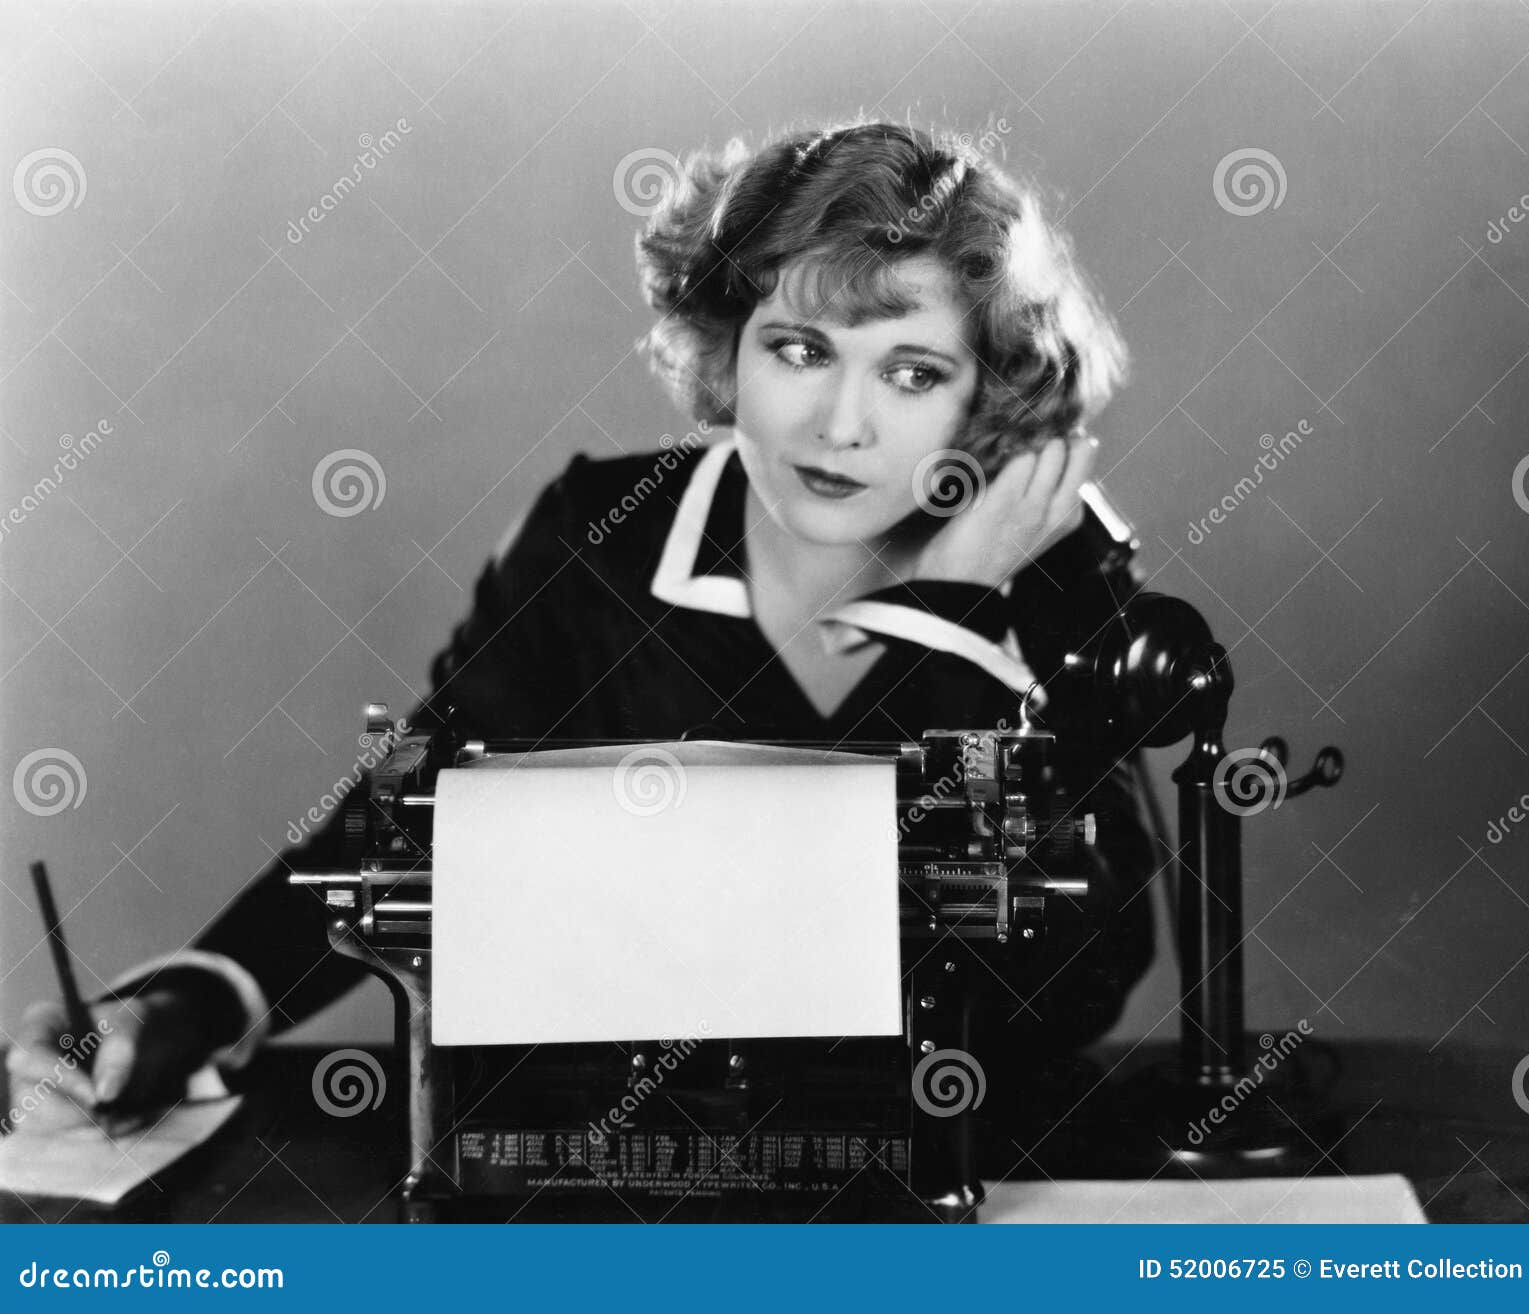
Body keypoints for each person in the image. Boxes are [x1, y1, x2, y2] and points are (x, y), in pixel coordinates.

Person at [8, 119, 1155, 1126]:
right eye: (797, 350)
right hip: (603, 1170)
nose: (840, 423)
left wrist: (946, 622)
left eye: (910, 373)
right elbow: (415, 826)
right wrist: (189, 1004)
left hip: (940, 1183)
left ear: (985, 392)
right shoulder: (604, 532)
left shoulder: (1048, 573)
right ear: (726, 347)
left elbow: (1070, 986)